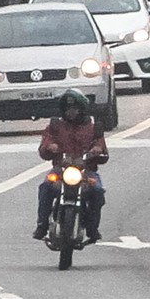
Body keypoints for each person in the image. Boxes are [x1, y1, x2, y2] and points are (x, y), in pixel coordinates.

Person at [34, 90, 108, 242]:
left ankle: (92, 228)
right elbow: (45, 145)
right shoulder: (55, 126)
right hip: (61, 170)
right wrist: (50, 147)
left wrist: (97, 150)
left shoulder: (94, 128)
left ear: (81, 109)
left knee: (97, 191)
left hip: (86, 172)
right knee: (46, 187)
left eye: (74, 109)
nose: (71, 112)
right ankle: (42, 224)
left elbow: (102, 150)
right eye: (68, 109)